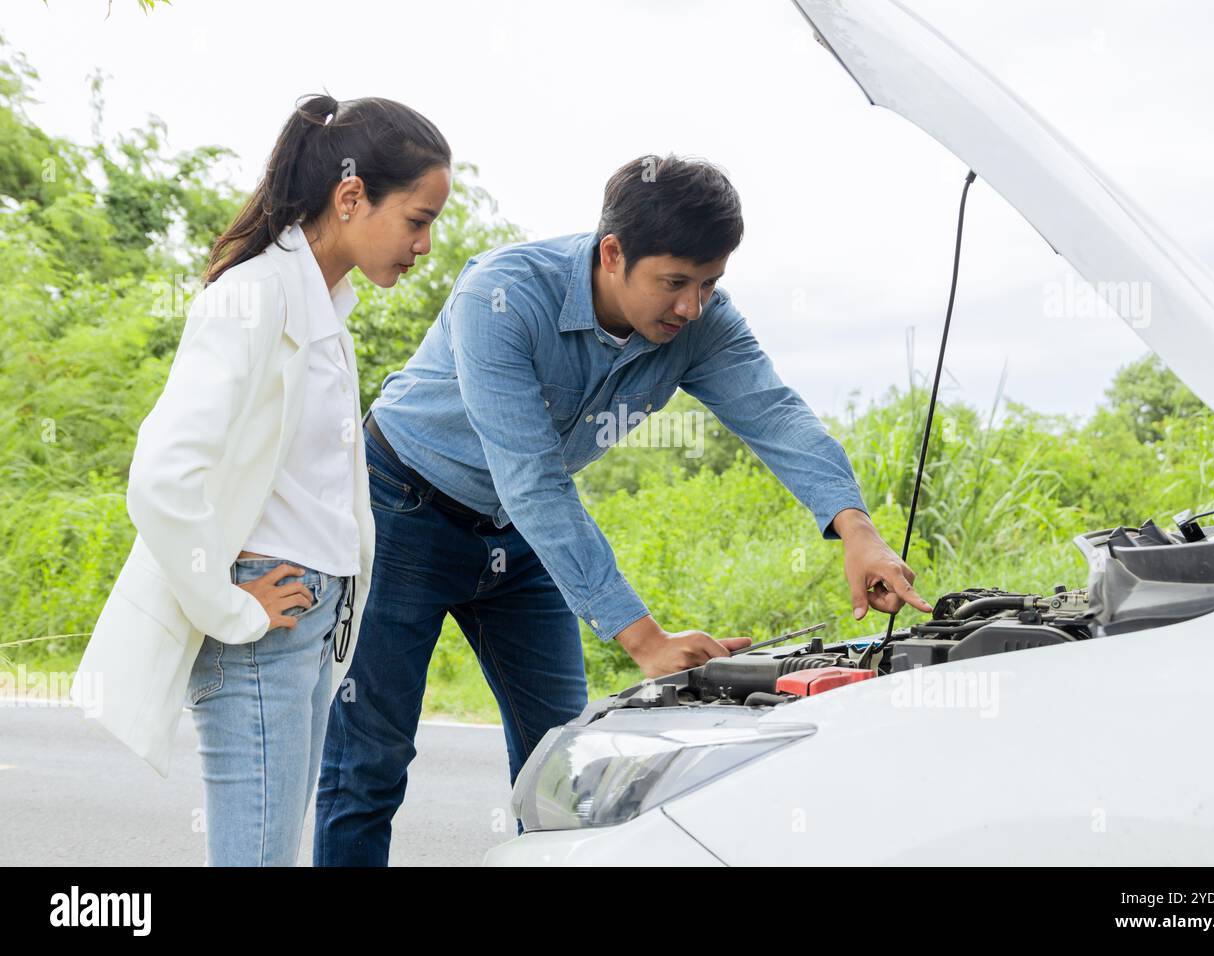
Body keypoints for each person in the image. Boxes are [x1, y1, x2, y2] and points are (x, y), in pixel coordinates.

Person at [312, 153, 932, 865]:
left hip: (521, 540)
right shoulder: (502, 296)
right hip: (401, 509)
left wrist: (858, 530)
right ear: (613, 254)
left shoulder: (702, 323)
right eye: (674, 283)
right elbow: (533, 477)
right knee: (369, 762)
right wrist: (646, 641)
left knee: (567, 770)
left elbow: (776, 415)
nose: (691, 307)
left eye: (709, 283)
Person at [70, 93, 452, 866]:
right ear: (351, 198)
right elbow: (162, 475)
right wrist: (228, 607)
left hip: (311, 616)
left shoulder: (322, 306)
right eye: (417, 219)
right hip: (261, 620)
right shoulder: (251, 299)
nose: (426, 245)